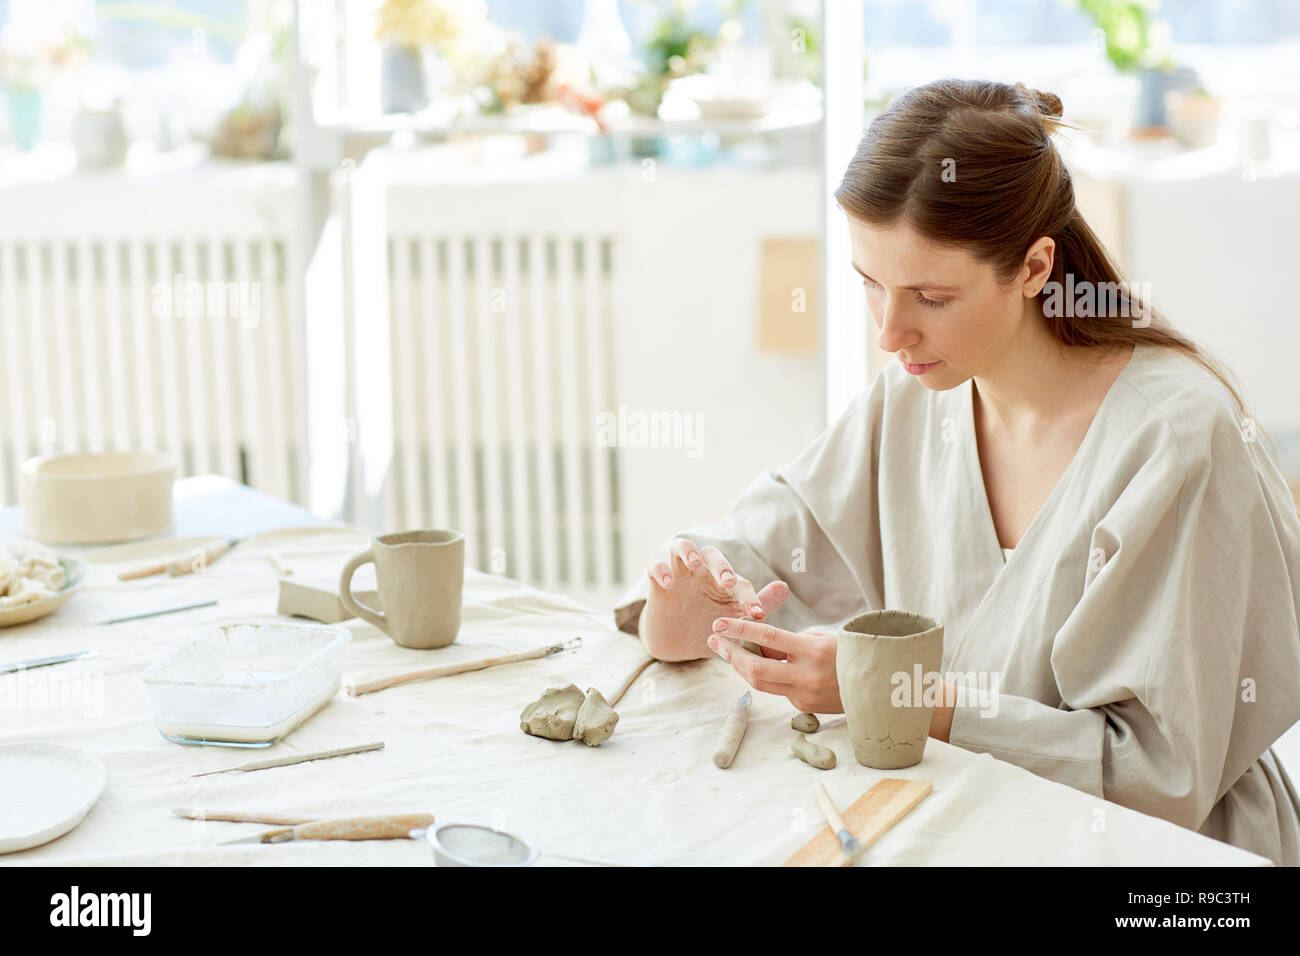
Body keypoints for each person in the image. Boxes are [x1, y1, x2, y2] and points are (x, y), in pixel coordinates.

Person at [612, 78, 1300, 866]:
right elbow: (731, 581)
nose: (889, 332)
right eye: (869, 284)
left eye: (930, 295)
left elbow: (1161, 778)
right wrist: (687, 602)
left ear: (1036, 266)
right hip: (960, 824)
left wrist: (902, 696)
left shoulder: (1180, 439)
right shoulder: (911, 400)